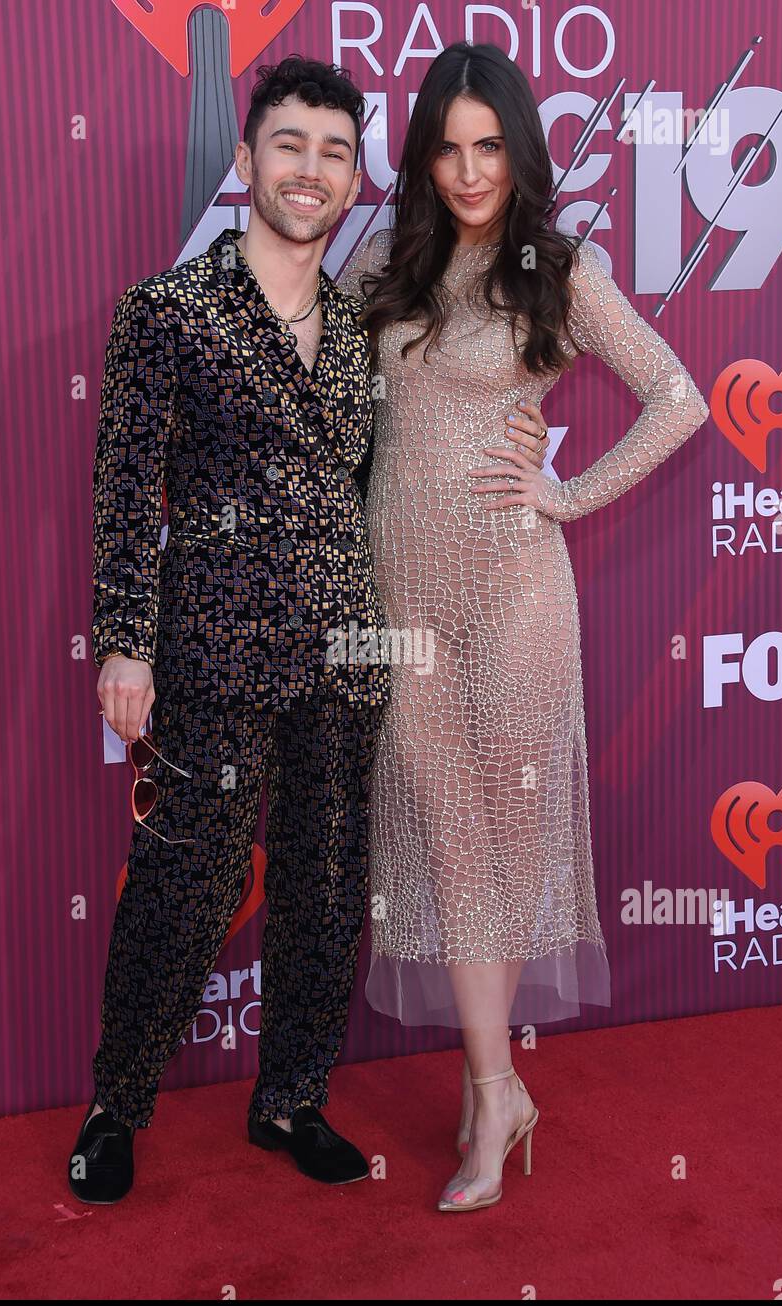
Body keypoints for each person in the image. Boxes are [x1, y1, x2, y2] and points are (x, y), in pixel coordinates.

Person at [69, 53, 550, 1205]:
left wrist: (527, 452)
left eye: (336, 154)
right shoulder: (167, 311)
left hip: (347, 653)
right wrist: (123, 640)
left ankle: (291, 1098)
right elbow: (129, 489)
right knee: (182, 889)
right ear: (246, 161)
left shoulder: (363, 323)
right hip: (212, 654)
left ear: (353, 182)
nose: (312, 170)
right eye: (290, 145)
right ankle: (114, 1104)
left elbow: (407, 466)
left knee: (328, 894)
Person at [337, 41, 709, 1213]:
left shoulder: (554, 265)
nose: (464, 170)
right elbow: (322, 399)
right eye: (445, 148)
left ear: (518, 149)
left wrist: (567, 490)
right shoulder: (384, 264)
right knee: (447, 846)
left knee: (497, 837)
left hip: (514, 592)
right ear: (422, 157)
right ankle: (493, 1086)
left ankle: (492, 1093)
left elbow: (677, 395)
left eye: (486, 145)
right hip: (401, 604)